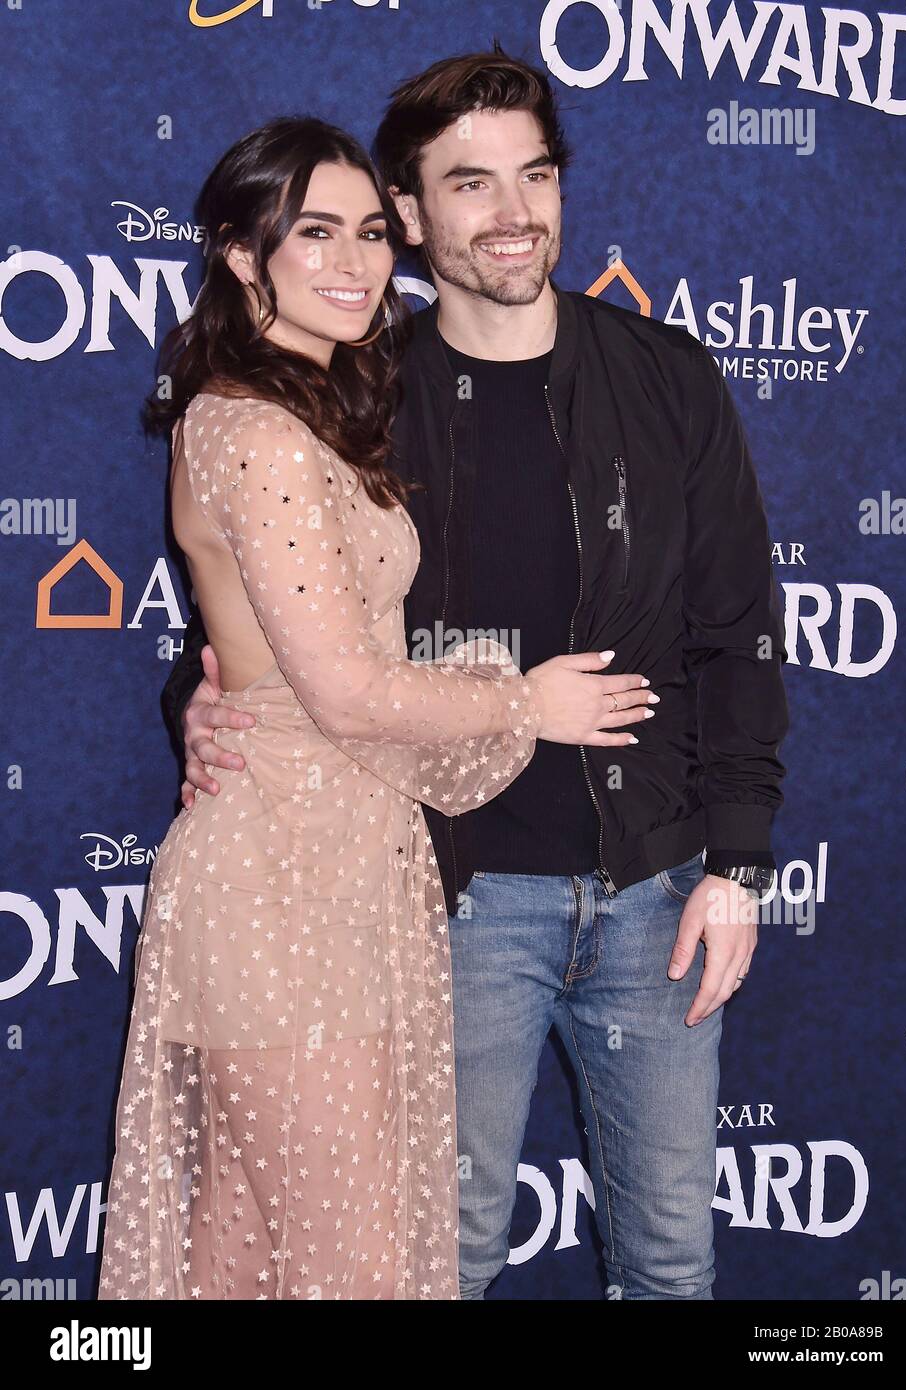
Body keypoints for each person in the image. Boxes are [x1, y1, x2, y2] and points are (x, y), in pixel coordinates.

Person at [164, 47, 790, 1302]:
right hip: (448, 892)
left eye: (535, 175)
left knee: (673, 1255)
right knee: (432, 1255)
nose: (514, 214)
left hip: (654, 887)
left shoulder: (667, 377)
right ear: (410, 213)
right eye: (470, 184)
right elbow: (264, 598)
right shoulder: (351, 391)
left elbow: (740, 622)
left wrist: (737, 862)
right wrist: (197, 692)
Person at [97, 115, 651, 1302]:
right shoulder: (257, 431)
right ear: (244, 256)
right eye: (313, 235)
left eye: (366, 234)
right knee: (345, 1265)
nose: (355, 266)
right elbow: (344, 686)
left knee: (241, 1251)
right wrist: (522, 701)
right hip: (284, 887)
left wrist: (205, 684)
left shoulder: (311, 401)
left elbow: (272, 642)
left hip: (341, 866)